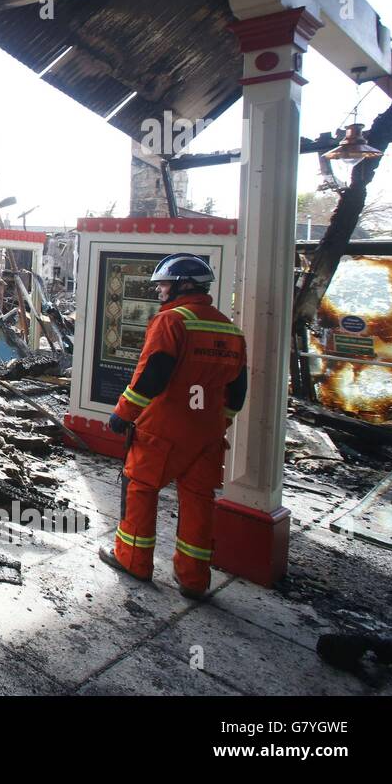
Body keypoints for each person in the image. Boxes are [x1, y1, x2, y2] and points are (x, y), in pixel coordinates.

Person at [99, 253, 248, 599]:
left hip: (164, 429)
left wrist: (123, 414)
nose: (159, 291)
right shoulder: (230, 330)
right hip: (208, 433)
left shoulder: (172, 322)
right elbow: (237, 391)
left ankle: (134, 560)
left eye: (164, 284)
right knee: (198, 501)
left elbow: (152, 376)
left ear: (184, 284)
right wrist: (217, 423)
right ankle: (194, 578)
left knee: (140, 488)